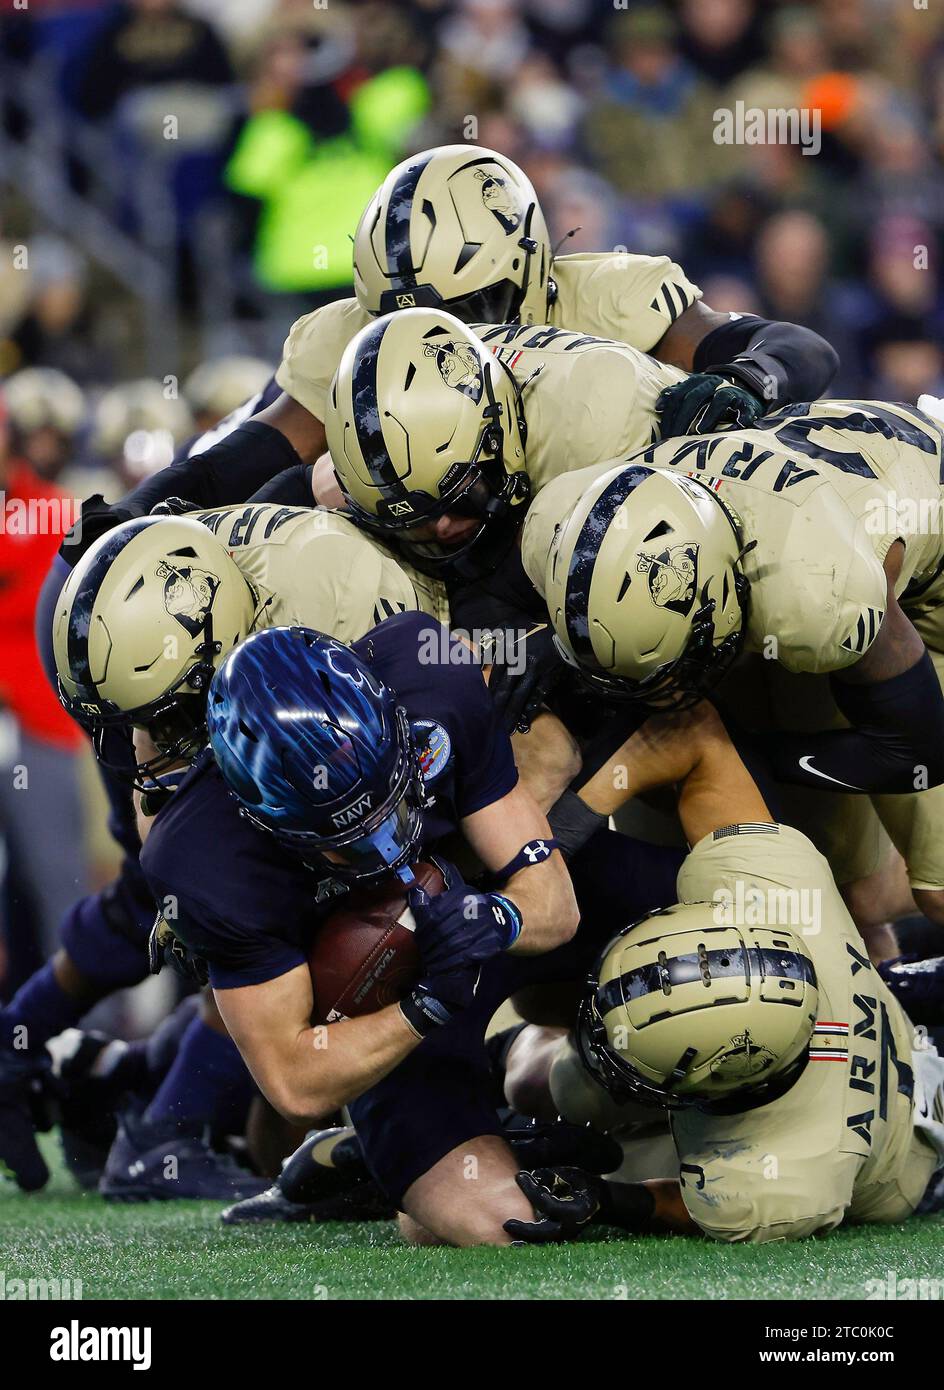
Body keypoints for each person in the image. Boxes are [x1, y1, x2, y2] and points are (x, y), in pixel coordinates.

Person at [140, 620, 584, 1245]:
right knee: (508, 1224)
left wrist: (488, 917)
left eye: (392, 805)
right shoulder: (204, 860)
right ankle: (377, 1157)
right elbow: (295, 1083)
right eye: (347, 844)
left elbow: (556, 907)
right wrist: (423, 1009)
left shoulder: (429, 679)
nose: (384, 849)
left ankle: (512, 1068)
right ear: (259, 818)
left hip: (476, 912)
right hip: (385, 1001)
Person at [497, 702, 944, 1245]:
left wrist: (610, 1200)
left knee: (562, 1091)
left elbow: (684, 1205)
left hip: (902, 1167)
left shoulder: (786, 1177)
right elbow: (696, 732)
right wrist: (541, 855)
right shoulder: (778, 895)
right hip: (887, 1020)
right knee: (550, 1053)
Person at [521, 397, 944, 938]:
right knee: (821, 868)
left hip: (909, 585)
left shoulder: (816, 596)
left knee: (934, 885)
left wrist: (732, 752)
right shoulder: (559, 520)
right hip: (814, 545)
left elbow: (912, 753)